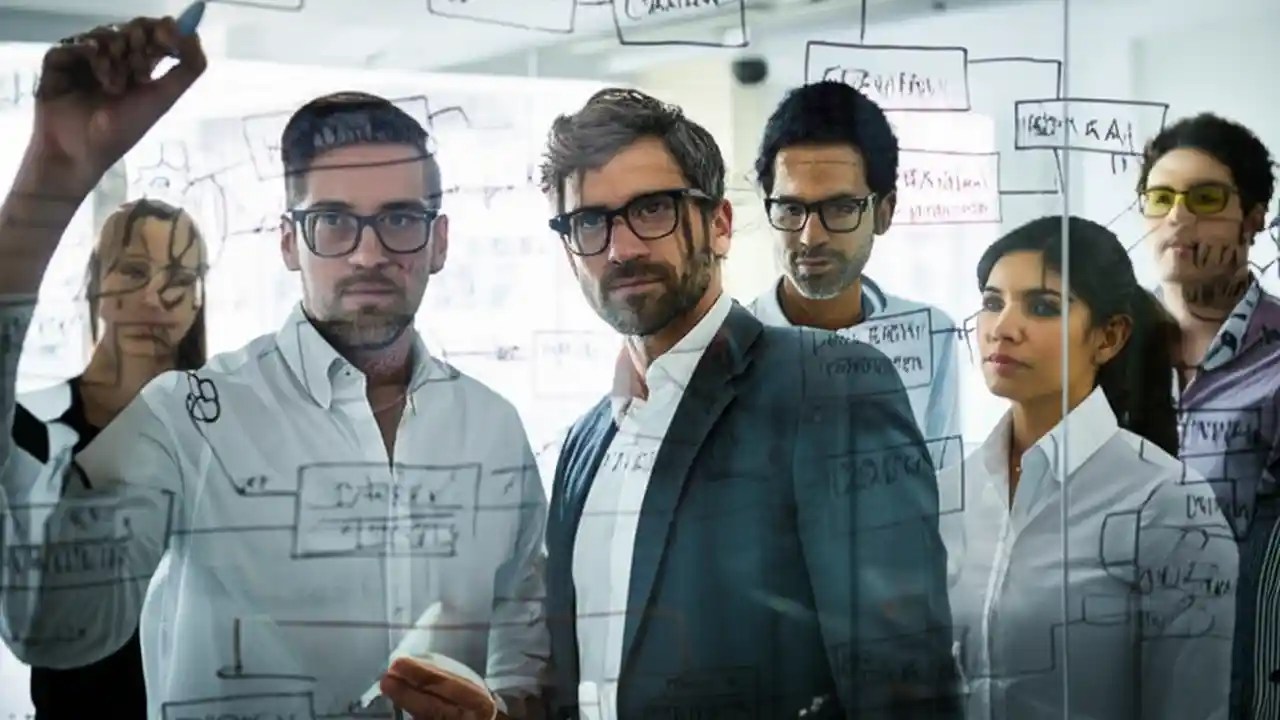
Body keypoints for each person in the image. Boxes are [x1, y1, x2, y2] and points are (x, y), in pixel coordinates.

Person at [0, 14, 547, 720]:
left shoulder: (494, 429)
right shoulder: (187, 416)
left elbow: (526, 657)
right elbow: (53, 627)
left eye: (401, 219)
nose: (368, 254)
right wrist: (52, 175)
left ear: (439, 241)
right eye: (333, 221)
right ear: (290, 243)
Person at [537, 88, 958, 719]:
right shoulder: (583, 444)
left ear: (721, 225)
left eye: (651, 209)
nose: (621, 249)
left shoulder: (829, 384)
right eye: (590, 222)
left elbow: (907, 684)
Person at [940, 215, 1237, 719]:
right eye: (993, 302)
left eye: (1041, 307)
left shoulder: (1168, 505)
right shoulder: (949, 492)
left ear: (1109, 337)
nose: (1003, 328)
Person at [10, 198, 207, 720]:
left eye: (180, 279)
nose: (155, 296)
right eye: (135, 270)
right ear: (97, 281)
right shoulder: (30, 429)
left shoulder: (224, 427)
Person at [1136, 113, 1280, 720]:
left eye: (1206, 198)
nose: (1177, 217)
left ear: (1253, 220)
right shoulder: (1106, 352)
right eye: (1160, 198)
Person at [748, 80, 960, 449]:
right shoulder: (728, 347)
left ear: (884, 212)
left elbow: (942, 486)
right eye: (791, 208)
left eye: (841, 208)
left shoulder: (928, 334)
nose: (810, 237)